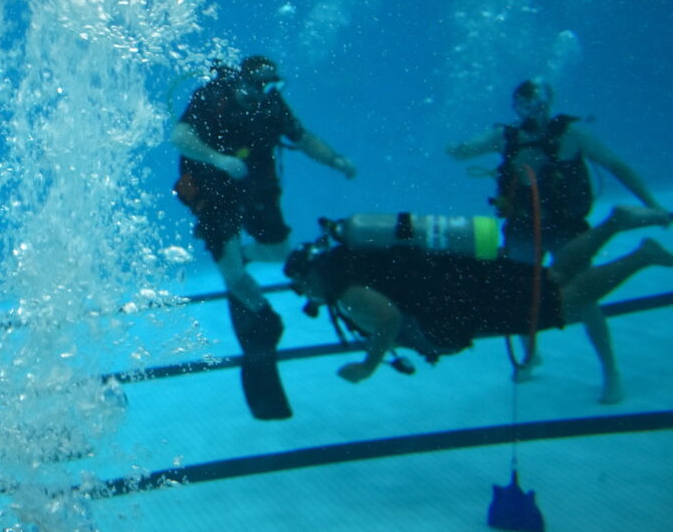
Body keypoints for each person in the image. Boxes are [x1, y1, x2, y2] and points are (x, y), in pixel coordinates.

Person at [446, 78, 666, 403]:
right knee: (518, 292)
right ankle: (530, 355)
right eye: (521, 104)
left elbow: (616, 165)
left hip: (565, 228)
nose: (528, 111)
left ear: (546, 103)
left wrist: (652, 203)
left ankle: (611, 372)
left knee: (586, 295)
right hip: (522, 227)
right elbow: (462, 152)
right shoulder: (507, 136)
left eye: (533, 103)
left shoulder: (572, 133)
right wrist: (455, 143)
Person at [284, 205, 673, 387]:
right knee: (551, 276)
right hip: (464, 273)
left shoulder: (347, 293)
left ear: (310, 277)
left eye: (303, 289)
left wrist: (367, 367)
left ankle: (642, 256)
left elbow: (387, 319)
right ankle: (613, 224)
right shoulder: (351, 253)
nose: (309, 298)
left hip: (461, 301)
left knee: (561, 305)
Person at [172, 55, 356, 418]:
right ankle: (260, 311)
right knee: (233, 275)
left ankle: (241, 257)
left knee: (278, 250)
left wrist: (335, 160)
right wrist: (217, 159)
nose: (264, 94)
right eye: (258, 86)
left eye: (272, 86)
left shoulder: (271, 104)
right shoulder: (212, 97)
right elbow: (180, 136)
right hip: (215, 188)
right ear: (240, 82)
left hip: (256, 183)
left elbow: (302, 138)